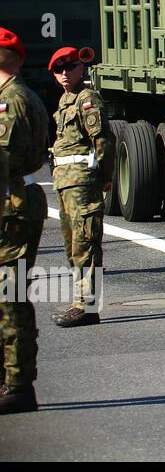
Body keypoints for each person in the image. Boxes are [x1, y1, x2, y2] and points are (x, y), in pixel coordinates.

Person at [0, 27, 50, 414]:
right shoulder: (17, 96)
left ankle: (17, 385)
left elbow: (6, 157)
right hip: (15, 201)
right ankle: (12, 380)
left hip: (12, 206)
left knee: (10, 298)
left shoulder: (11, 101)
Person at [47, 48, 114, 329]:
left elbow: (102, 140)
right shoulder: (65, 100)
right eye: (58, 70)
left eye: (69, 68)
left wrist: (104, 176)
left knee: (85, 244)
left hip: (82, 183)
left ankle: (86, 307)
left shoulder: (87, 100)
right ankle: (81, 303)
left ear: (80, 69)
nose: (64, 74)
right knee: (73, 245)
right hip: (66, 184)